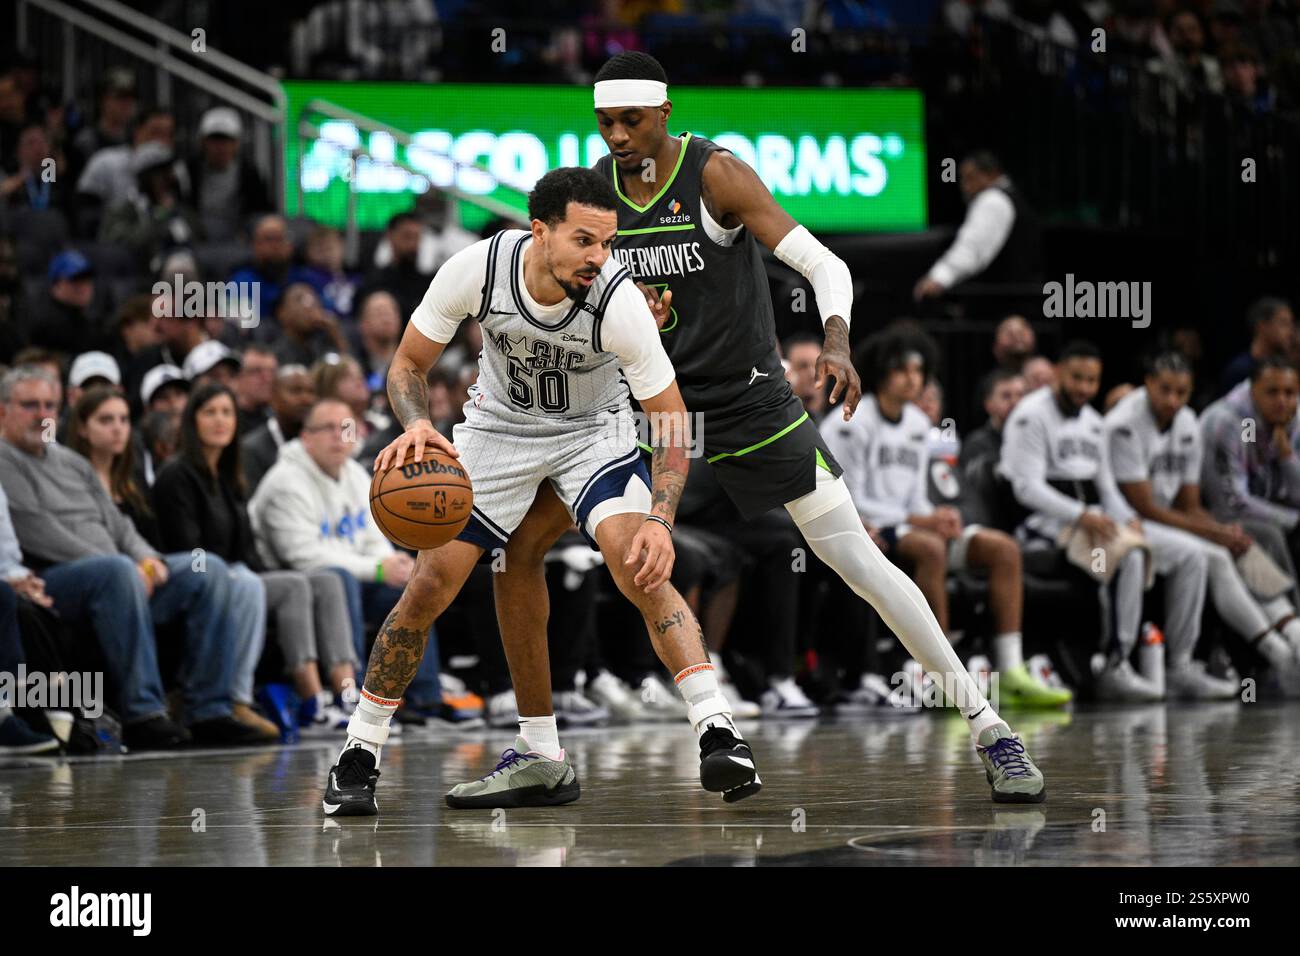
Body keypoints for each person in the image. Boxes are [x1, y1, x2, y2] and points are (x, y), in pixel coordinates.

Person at [322, 166, 761, 816]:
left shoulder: (618, 302)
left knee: (635, 561)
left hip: (595, 431)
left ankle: (717, 728)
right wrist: (419, 426)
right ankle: (360, 753)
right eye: (584, 240)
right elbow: (408, 364)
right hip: (500, 430)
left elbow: (669, 420)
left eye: (608, 243)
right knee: (432, 584)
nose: (599, 257)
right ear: (539, 231)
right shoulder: (477, 269)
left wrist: (661, 519)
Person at [0, 366, 260, 747]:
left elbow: (118, 524)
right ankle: (143, 713)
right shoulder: (4, 462)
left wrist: (148, 560)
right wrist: (125, 566)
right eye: (29, 405)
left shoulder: (70, 461)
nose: (42, 414)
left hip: (118, 571)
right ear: (3, 410)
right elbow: (41, 531)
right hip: (55, 578)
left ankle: (209, 709)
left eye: (49, 405)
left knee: (208, 569)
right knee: (117, 570)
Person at [822, 327, 1070, 706]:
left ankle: (1013, 669)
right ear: (882, 371)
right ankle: (943, 671)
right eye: (902, 370)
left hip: (909, 524)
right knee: (931, 548)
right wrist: (923, 521)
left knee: (1002, 549)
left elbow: (916, 499)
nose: (912, 379)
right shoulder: (853, 418)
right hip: (861, 528)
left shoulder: (919, 425)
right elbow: (848, 498)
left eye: (918, 371)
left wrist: (940, 514)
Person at [1000, 340, 1219, 701]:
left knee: (1192, 554)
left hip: (1093, 520)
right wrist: (1081, 514)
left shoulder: (1093, 423)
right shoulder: (1031, 414)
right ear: (1057, 373)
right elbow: (1026, 489)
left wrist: (1128, 517)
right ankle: (1115, 664)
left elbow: (1106, 487)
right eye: (1076, 378)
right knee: (1127, 554)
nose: (1084, 388)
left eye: (1091, 380)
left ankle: (1180, 665)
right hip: (1044, 523)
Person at [155, 383, 359, 734]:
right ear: (192, 421)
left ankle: (348, 697)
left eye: (227, 413)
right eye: (210, 413)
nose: (220, 420)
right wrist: (230, 573)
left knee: (326, 579)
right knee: (292, 585)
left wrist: (259, 573)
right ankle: (313, 703)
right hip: (203, 577)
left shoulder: (230, 475)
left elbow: (248, 550)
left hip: (241, 575)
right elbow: (185, 549)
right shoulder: (177, 475)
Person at [1106, 351, 1300, 688]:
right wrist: (1214, 533)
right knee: (1208, 553)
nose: (1173, 400)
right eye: (1165, 390)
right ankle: (1276, 654)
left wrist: (1220, 530)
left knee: (1240, 543)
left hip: (1164, 522)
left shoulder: (1186, 421)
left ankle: (1293, 635)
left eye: (1181, 392)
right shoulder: (1125, 424)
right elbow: (1145, 507)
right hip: (1126, 521)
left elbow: (1188, 504)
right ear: (1148, 384)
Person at [1201, 357, 1300, 582]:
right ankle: (1291, 612)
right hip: (1215, 514)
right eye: (1272, 392)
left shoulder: (1295, 417)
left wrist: (1286, 458)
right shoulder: (1230, 423)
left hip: (1264, 504)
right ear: (1253, 390)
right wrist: (1293, 520)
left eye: (1289, 393)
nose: (1282, 401)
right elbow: (1232, 503)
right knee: (1271, 535)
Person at [912, 151, 1042, 302]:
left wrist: (939, 278)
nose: (965, 187)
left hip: (1005, 303)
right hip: (1019, 296)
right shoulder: (1010, 195)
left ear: (991, 174)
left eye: (971, 178)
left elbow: (972, 248)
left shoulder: (992, 201)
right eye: (963, 179)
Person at [184, 107, 273, 242]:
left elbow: (262, 212)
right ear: (203, 142)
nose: (220, 147)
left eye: (226, 140)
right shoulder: (188, 172)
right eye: (214, 140)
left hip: (239, 244)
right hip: (195, 243)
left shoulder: (249, 174)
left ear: (237, 143)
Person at [241, 363, 316, 491]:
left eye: (311, 392)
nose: (306, 399)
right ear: (273, 398)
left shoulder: (321, 440)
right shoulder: (252, 449)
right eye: (296, 391)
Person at [1217, 296, 1293, 398]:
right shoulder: (1239, 371)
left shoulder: (1290, 368)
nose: (1290, 332)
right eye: (1284, 323)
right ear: (1262, 326)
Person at [960, 368, 1026, 468]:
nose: (1015, 402)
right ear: (988, 404)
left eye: (1020, 395)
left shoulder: (1034, 439)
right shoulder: (976, 445)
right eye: (1006, 396)